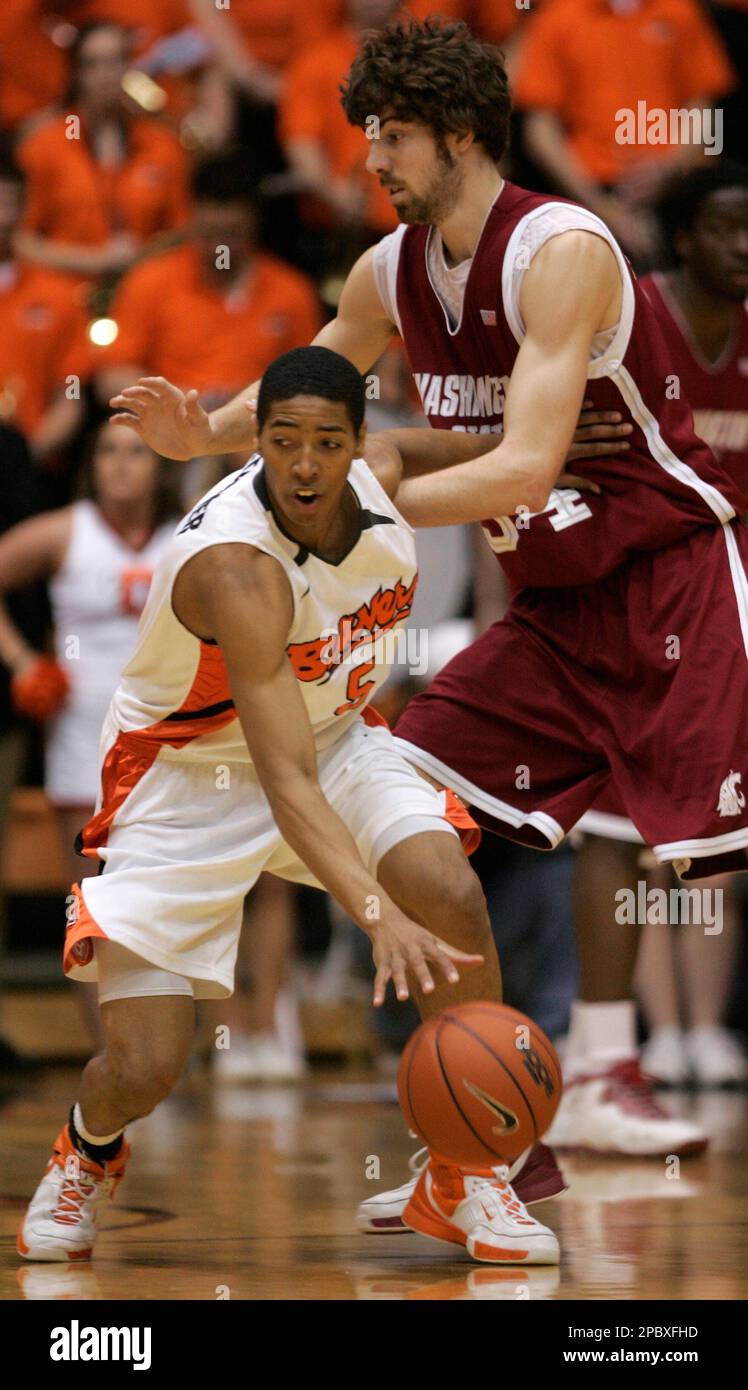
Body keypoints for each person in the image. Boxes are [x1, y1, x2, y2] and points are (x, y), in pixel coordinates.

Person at [109, 20, 748, 1233]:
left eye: (391, 136)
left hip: (676, 584)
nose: (371, 160)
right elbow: (316, 387)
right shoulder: (386, 270)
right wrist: (209, 428)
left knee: (715, 861)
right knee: (419, 839)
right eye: (363, 136)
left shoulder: (560, 251)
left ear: (458, 134)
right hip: (555, 615)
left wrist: (351, 495)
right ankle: (481, 1159)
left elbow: (518, 471)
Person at [18, 347, 563, 1268]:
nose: (305, 465)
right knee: (147, 1065)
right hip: (189, 776)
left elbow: (416, 453)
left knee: (452, 894)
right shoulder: (237, 568)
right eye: (282, 443)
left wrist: (527, 442)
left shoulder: (377, 476)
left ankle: (467, 1172)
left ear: (357, 443)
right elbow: (283, 783)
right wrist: (372, 913)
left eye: (326, 443)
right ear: (258, 444)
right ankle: (85, 1149)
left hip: (340, 735)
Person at [561, 162, 748, 1107]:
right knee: (616, 823)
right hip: (627, 595)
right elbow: (553, 447)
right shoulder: (626, 317)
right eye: (726, 228)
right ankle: (625, 1039)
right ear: (682, 235)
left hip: (730, 608)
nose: (745, 246)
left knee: (718, 823)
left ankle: (701, 1030)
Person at [0, 421, 179, 1040]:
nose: (121, 465)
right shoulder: (67, 531)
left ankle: (170, 1052)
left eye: (137, 451)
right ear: (90, 464)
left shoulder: (190, 535)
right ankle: (109, 1053)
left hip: (173, 746)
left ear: (162, 466)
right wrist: (26, 663)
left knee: (170, 906)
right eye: (107, 451)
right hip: (83, 745)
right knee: (90, 910)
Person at [512, 0, 735, 264]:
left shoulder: (679, 10)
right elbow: (538, 128)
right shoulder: (559, 15)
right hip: (585, 194)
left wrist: (668, 169)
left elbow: (703, 104)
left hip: (676, 190)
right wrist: (602, 207)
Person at [15, 22, 190, 284]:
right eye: (92, 64)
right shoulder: (44, 147)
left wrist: (141, 258)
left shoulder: (163, 144)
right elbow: (21, 240)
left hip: (146, 289)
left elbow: (184, 231)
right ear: (76, 74)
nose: (104, 75)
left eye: (114, 61)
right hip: (63, 293)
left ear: (128, 67)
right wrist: (96, 261)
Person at [0, 154, 90, 466]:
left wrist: (24, 456)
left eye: (7, 203)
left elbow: (73, 393)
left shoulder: (60, 296)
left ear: (24, 210)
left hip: (29, 467)